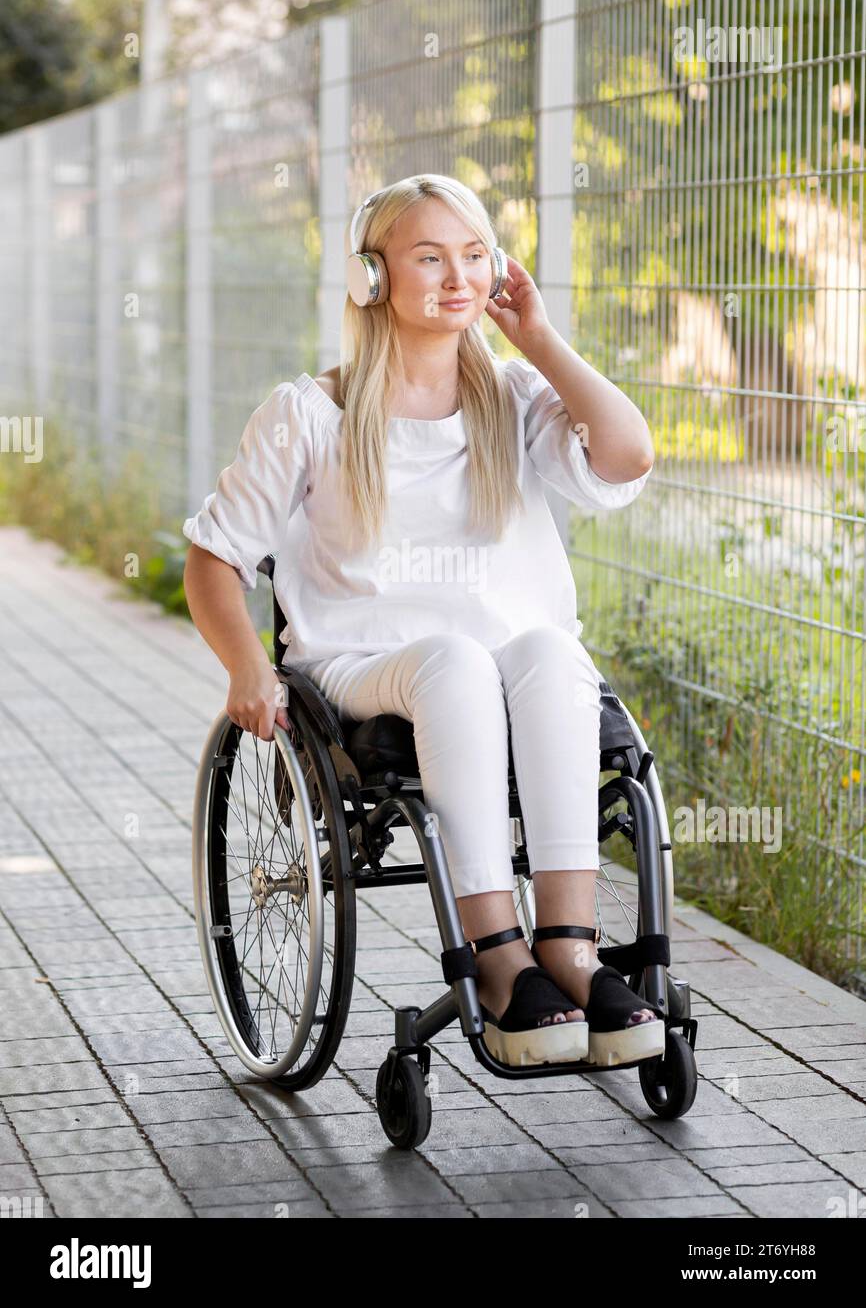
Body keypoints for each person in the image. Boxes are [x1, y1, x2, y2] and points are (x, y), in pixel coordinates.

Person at [183, 172, 664, 1069]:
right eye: (430, 257)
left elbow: (630, 454)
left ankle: (568, 943)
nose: (459, 277)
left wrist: (541, 339)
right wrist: (246, 666)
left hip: (509, 666)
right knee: (451, 659)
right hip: (364, 662)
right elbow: (214, 560)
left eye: (475, 256)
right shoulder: (312, 415)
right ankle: (496, 956)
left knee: (556, 653)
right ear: (374, 279)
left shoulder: (514, 400)